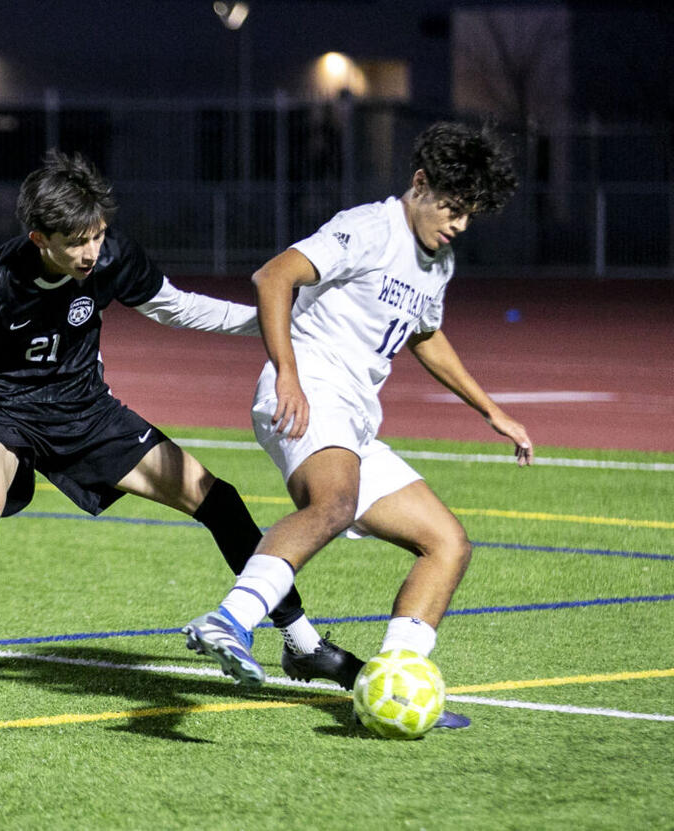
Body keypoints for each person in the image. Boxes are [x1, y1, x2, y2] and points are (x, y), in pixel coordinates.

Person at [0, 150, 360, 730]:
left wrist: (275, 323)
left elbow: (176, 308)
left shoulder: (110, 257)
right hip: (2, 414)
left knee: (219, 500)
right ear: (39, 239)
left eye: (98, 235)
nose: (91, 252)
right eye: (76, 242)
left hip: (85, 411)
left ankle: (302, 643)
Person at [183, 122, 534, 724]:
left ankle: (397, 682)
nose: (459, 224)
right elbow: (274, 276)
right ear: (420, 183)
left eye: (470, 214)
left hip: (354, 417)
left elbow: (425, 335)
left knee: (446, 543)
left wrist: (490, 409)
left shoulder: (438, 262)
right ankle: (230, 620)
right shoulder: (370, 228)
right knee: (334, 505)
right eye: (452, 208)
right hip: (311, 388)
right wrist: (288, 373)